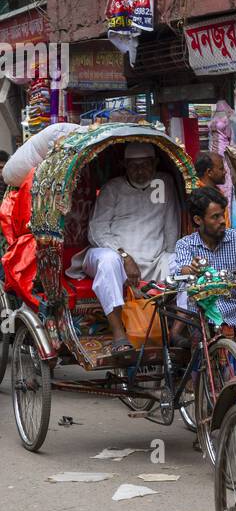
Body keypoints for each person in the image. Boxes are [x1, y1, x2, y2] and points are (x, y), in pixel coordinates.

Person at [68, 141, 181, 357]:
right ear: (125, 166)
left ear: (155, 163)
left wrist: (170, 256)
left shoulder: (164, 183)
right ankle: (119, 333)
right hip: (109, 253)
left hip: (154, 259)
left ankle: (175, 330)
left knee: (180, 263)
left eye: (145, 165)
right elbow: (97, 232)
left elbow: (171, 228)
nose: (140, 171)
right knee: (109, 261)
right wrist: (124, 256)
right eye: (134, 166)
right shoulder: (113, 188)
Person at [169, 185, 236, 364]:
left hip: (235, 318)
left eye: (222, 214)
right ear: (198, 220)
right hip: (202, 320)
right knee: (204, 369)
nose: (222, 221)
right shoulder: (185, 245)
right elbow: (182, 270)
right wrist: (191, 269)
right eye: (215, 217)